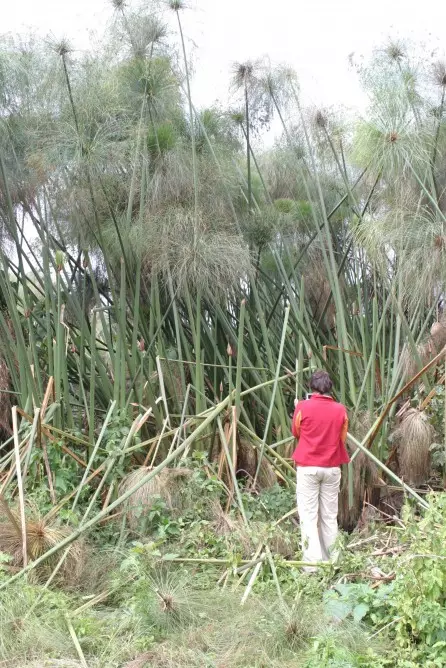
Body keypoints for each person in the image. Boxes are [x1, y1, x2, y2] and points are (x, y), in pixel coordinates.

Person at [291, 370, 349, 571]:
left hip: (308, 468)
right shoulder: (340, 410)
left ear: (312, 387)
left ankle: (313, 567)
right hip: (332, 468)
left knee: (308, 517)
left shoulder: (302, 407)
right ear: (329, 388)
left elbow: (296, 432)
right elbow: (341, 438)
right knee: (329, 517)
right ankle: (333, 562)